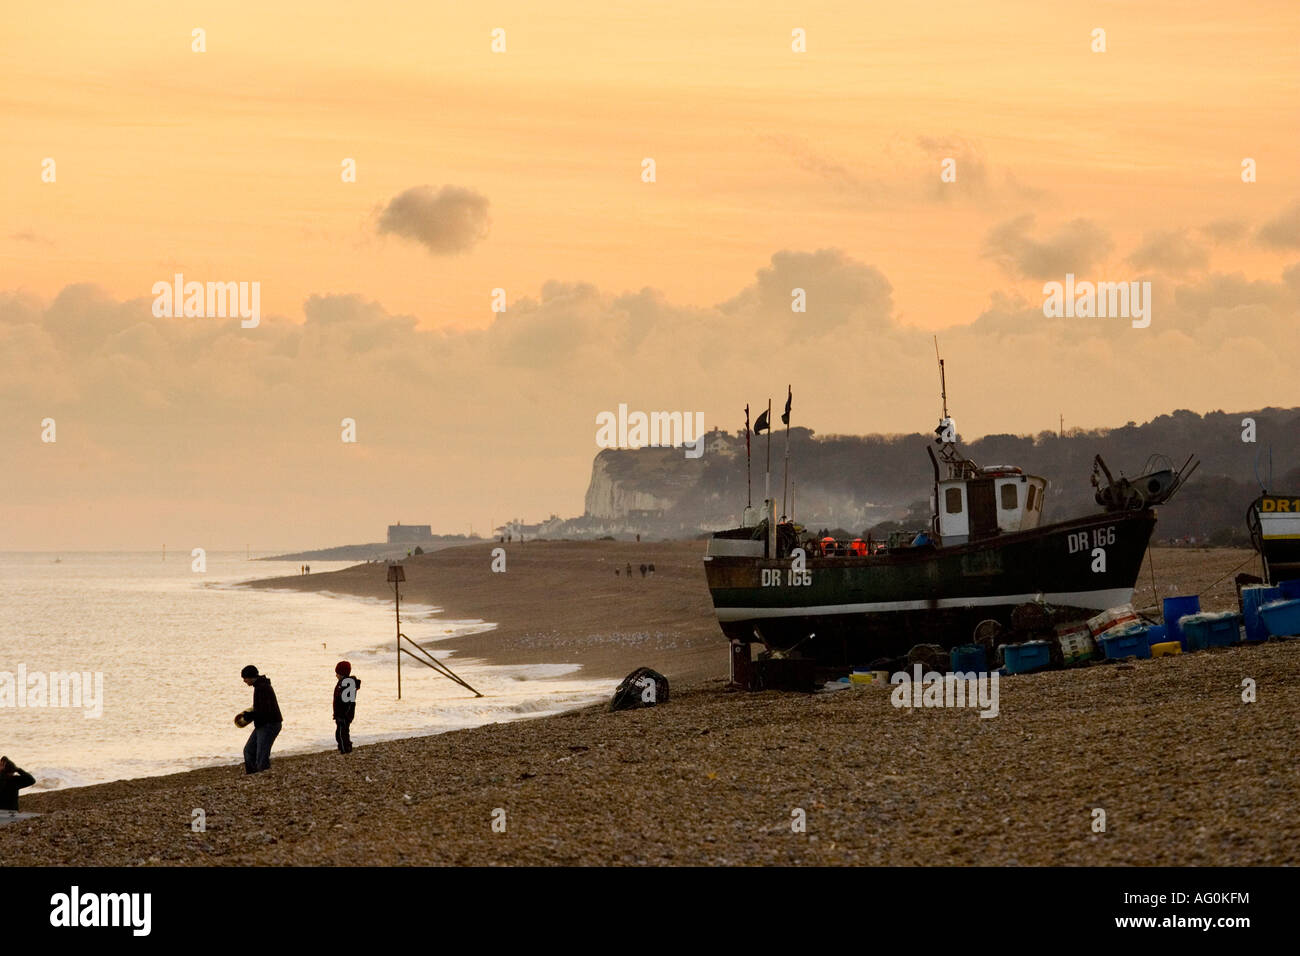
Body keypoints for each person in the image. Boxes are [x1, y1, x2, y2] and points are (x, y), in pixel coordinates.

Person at [239, 665, 283, 774]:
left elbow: (265, 709)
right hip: (263, 724)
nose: (244, 681)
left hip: (270, 724)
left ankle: (262, 775)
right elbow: (260, 708)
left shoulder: (263, 687)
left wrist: (251, 715)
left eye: (245, 678)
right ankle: (253, 774)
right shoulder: (259, 686)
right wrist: (252, 714)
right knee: (248, 750)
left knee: (261, 755)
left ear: (251, 677)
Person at [332, 661, 361, 754]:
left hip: (344, 714)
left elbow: (347, 702)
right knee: (342, 732)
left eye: (337, 673)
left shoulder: (347, 684)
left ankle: (345, 749)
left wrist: (344, 715)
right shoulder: (344, 683)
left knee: (341, 733)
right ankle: (344, 748)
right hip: (342, 714)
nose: (336, 675)